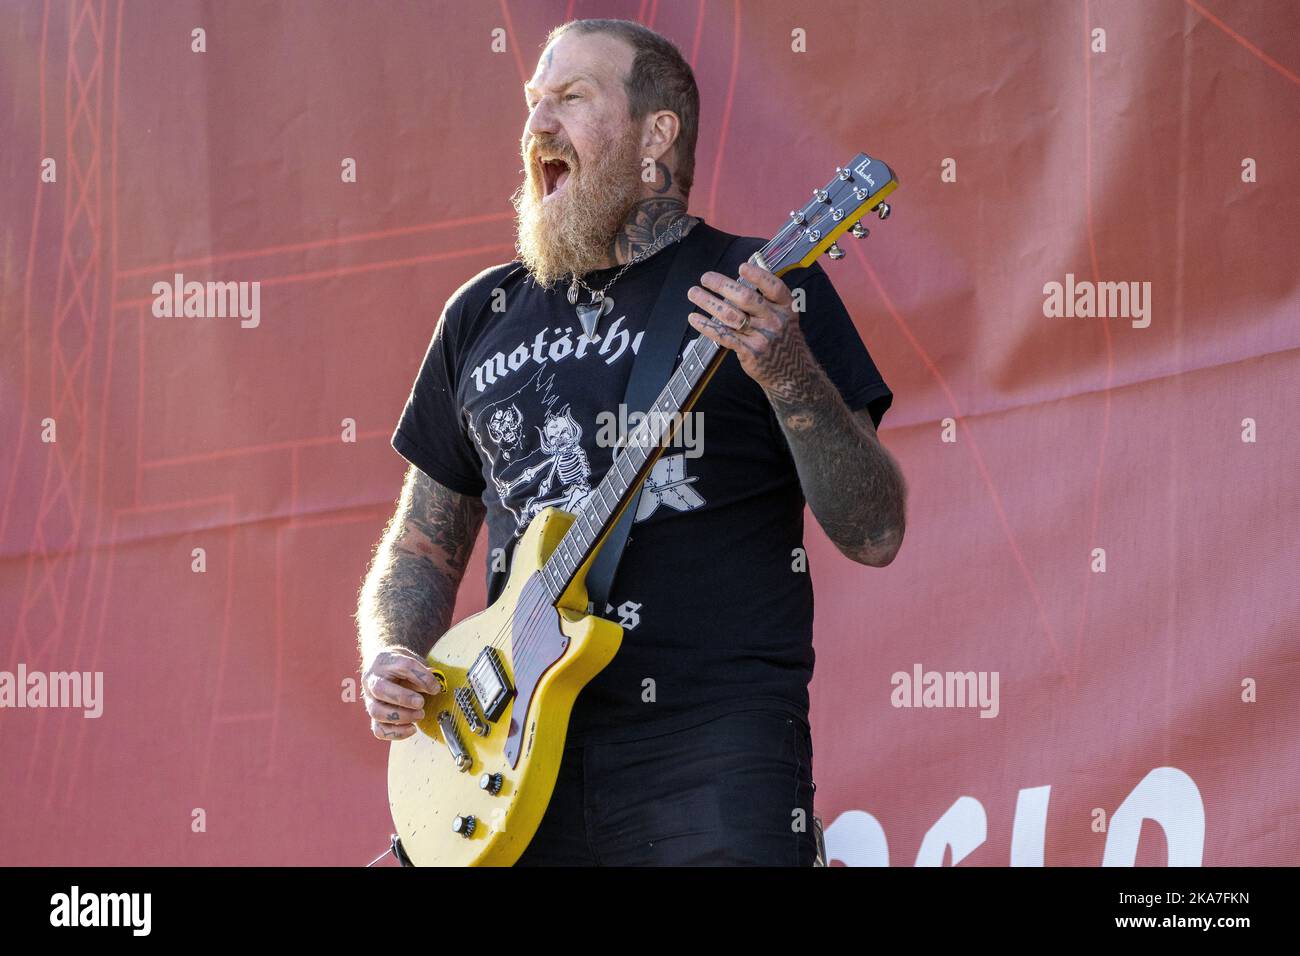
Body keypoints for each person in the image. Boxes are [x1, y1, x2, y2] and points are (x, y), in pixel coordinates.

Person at [355, 18, 907, 866]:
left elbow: (874, 531)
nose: (538, 124)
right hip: (501, 761)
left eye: (571, 98)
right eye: (535, 102)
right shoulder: (482, 314)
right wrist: (391, 650)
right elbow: (423, 544)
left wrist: (788, 372)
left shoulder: (762, 285)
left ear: (657, 136)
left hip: (709, 756)